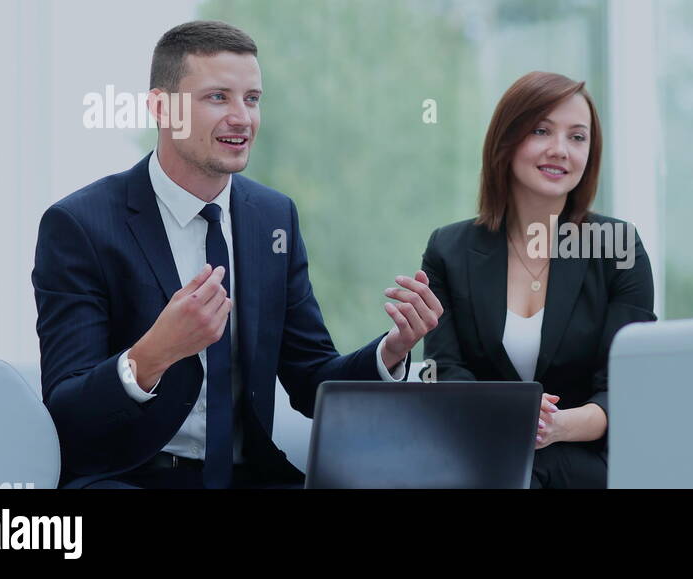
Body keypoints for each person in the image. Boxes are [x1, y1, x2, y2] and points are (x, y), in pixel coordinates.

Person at [32, 20, 443, 489]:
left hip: (251, 477)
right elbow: (67, 413)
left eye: (252, 99)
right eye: (217, 97)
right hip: (135, 477)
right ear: (162, 108)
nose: (242, 118)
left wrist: (390, 352)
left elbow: (311, 380)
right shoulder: (80, 225)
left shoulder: (273, 217)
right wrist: (154, 354)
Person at [419, 71, 656, 489]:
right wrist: (510, 414)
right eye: (541, 130)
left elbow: (628, 388)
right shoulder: (449, 249)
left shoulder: (617, 246)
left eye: (577, 137)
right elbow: (444, 371)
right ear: (505, 141)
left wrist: (557, 426)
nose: (560, 150)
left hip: (581, 460)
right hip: (480, 451)